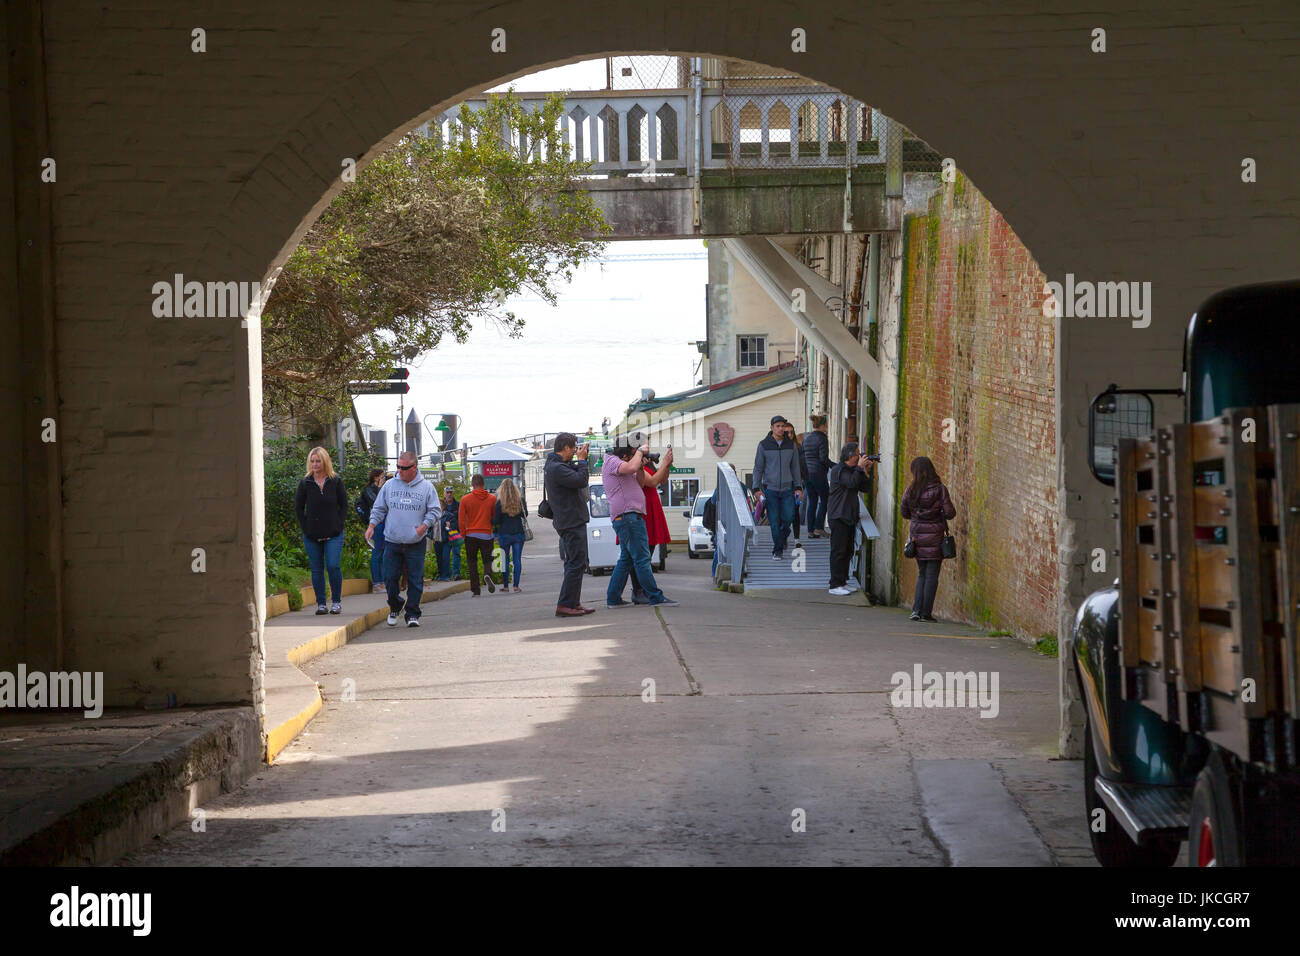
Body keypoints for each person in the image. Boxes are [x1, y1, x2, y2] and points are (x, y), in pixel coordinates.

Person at [602, 433, 678, 608]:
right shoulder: (612, 461)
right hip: (627, 515)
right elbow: (632, 469)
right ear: (626, 451)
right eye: (634, 451)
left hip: (630, 515)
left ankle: (613, 599)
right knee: (642, 559)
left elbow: (642, 482)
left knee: (626, 560)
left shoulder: (625, 463)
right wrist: (640, 453)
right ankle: (655, 596)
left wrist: (641, 467)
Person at [366, 451, 441, 627]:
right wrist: (371, 525)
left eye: (404, 467)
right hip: (392, 540)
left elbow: (436, 510)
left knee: (415, 579)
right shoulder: (389, 485)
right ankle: (395, 605)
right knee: (390, 578)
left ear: (414, 467)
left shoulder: (427, 487)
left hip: (415, 541)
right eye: (398, 466)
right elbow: (379, 508)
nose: (399, 470)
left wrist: (424, 525)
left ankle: (412, 613)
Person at [899, 456, 957, 622]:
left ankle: (916, 610)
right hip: (935, 537)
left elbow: (904, 512)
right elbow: (950, 513)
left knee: (922, 574)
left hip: (917, 536)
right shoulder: (940, 489)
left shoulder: (911, 490)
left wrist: (917, 516)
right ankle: (925, 613)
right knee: (932, 576)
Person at [545, 432, 595, 617]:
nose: (575, 451)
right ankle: (565, 604)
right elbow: (580, 480)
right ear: (565, 447)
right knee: (576, 563)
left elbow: (575, 475)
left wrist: (580, 461)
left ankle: (573, 602)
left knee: (575, 563)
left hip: (569, 520)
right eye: (574, 448)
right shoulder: (557, 468)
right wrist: (582, 461)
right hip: (571, 520)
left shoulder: (556, 465)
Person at [295, 446, 349, 615]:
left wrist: (339, 524)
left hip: (333, 532)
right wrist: (306, 527)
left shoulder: (335, 481)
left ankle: (336, 602)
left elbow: (344, 505)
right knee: (316, 569)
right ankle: (321, 603)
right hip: (312, 534)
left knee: (333, 566)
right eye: (312, 461)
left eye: (318, 461)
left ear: (325, 461)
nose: (315, 464)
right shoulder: (305, 483)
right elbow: (298, 508)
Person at [826, 442, 874, 595]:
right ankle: (834, 585)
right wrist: (859, 468)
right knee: (838, 551)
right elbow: (851, 483)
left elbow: (865, 488)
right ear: (850, 456)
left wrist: (865, 471)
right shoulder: (838, 470)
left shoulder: (854, 471)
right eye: (857, 454)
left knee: (848, 550)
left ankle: (842, 581)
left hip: (849, 516)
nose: (860, 456)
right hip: (838, 515)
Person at [752, 415, 803, 559]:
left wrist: (798, 487)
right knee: (774, 521)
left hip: (787, 489)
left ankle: (783, 536)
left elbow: (795, 468)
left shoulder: (791, 445)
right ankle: (777, 550)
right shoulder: (763, 445)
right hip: (770, 489)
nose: (781, 429)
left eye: (783, 426)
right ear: (772, 428)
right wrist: (756, 488)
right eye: (778, 426)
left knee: (789, 517)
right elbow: (758, 468)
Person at [626, 447, 673, 604]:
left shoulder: (646, 462)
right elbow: (652, 482)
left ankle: (642, 589)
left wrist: (667, 465)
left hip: (651, 505)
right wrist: (664, 463)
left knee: (649, 548)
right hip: (642, 506)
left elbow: (662, 480)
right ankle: (638, 590)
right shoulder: (633, 463)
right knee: (640, 553)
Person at [459, 475, 498, 596]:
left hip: (471, 534)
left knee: (472, 562)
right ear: (483, 484)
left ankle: (476, 590)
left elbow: (461, 520)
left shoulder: (465, 499)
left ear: (472, 484)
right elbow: (494, 517)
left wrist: (464, 534)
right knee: (487, 560)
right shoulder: (492, 498)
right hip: (486, 534)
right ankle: (487, 574)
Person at [356, 468, 388, 592]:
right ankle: (377, 582)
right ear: (376, 478)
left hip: (385, 524)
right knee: (377, 553)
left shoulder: (385, 489)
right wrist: (380, 487)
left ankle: (384, 581)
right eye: (382, 476)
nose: (385, 479)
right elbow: (377, 504)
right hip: (376, 524)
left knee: (385, 553)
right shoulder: (368, 490)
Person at [802, 414, 833, 538]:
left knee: (812, 500)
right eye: (826, 424)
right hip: (818, 473)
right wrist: (836, 466)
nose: (827, 427)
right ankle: (819, 527)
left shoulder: (807, 438)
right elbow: (823, 458)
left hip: (807, 474)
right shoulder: (822, 438)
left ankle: (810, 530)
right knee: (825, 499)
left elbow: (803, 456)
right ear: (822, 425)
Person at [494, 477, 527, 592]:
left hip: (504, 534)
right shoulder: (520, 500)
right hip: (518, 533)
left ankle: (506, 586)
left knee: (505, 560)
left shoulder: (499, 503)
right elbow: (525, 515)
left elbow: (496, 521)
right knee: (517, 560)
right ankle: (516, 585)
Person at [436, 485, 461, 581]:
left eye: (451, 492)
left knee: (456, 553)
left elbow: (461, 519)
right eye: (447, 492)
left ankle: (456, 574)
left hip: (455, 533)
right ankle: (444, 574)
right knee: (443, 556)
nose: (449, 494)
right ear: (444, 494)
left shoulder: (458, 505)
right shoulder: (440, 504)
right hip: (443, 535)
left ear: (453, 493)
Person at [702, 490, 719, 579]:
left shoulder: (718, 490)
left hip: (717, 527)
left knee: (718, 550)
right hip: (718, 527)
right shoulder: (718, 491)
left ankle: (714, 573)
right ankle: (714, 574)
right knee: (718, 550)